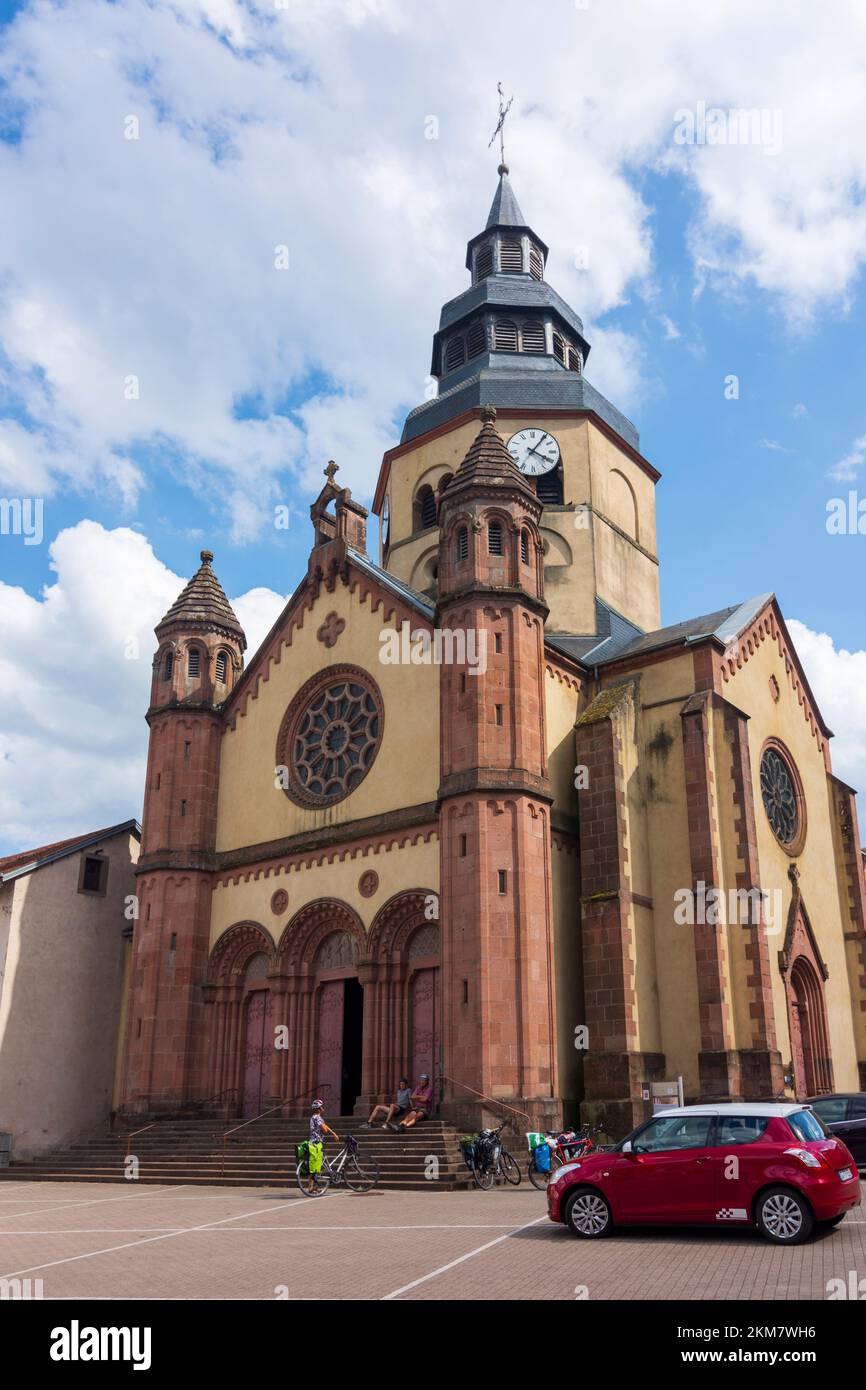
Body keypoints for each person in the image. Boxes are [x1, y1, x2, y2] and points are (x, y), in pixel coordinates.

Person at [306, 1098, 338, 1193]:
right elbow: (324, 1129)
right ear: (319, 1108)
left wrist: (334, 1133)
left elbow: (325, 1125)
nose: (323, 1108)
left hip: (314, 1142)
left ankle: (313, 1187)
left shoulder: (315, 1117)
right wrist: (327, 1131)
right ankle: (311, 1187)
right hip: (316, 1143)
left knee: (316, 1164)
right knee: (315, 1165)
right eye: (321, 1106)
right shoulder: (317, 1118)